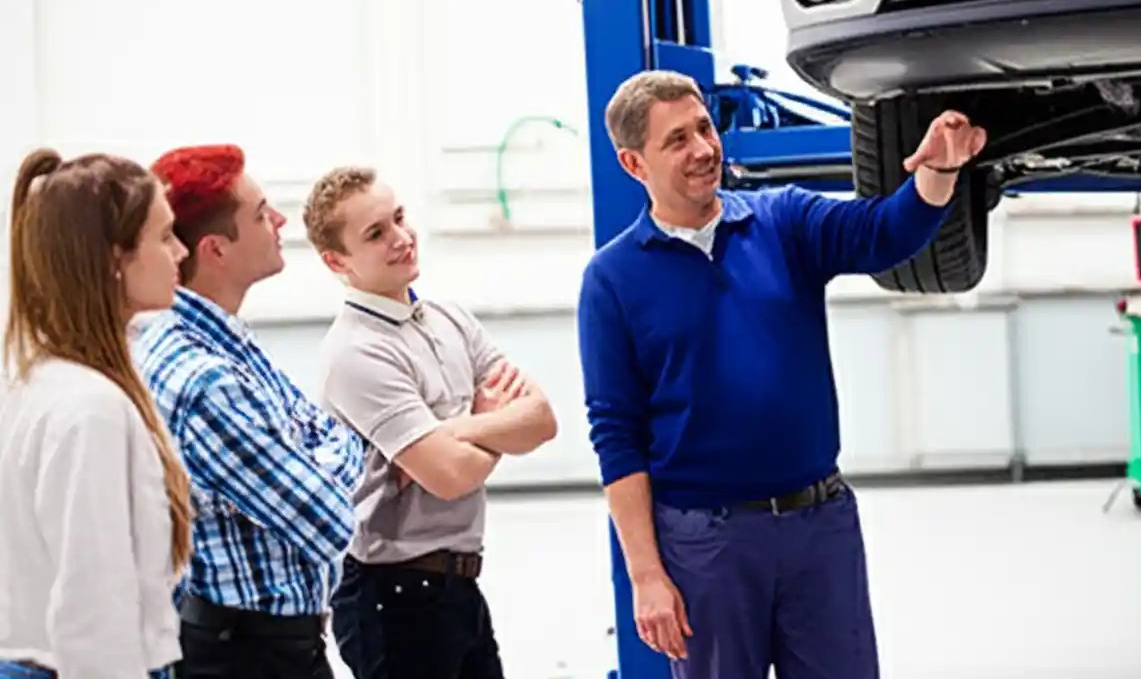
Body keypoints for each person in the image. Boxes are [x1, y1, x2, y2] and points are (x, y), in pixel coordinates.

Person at [575, 69, 989, 678]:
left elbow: (882, 234)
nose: (703, 149)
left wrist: (938, 173)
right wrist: (646, 574)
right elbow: (615, 434)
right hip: (705, 544)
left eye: (704, 128)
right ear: (634, 164)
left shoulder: (782, 222)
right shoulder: (611, 280)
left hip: (818, 527)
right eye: (677, 141)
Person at [300, 166, 558, 679]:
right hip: (392, 598)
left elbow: (542, 419)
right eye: (376, 234)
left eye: (398, 218)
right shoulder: (356, 351)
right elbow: (450, 477)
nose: (401, 237)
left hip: (458, 586)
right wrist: (487, 417)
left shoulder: (449, 318)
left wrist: (458, 429)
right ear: (337, 261)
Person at [131, 144, 366, 679]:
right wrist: (323, 456)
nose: (281, 220)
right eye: (261, 213)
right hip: (245, 654)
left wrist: (319, 453)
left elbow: (329, 433)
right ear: (215, 249)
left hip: (271, 644)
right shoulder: (204, 378)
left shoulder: (225, 341)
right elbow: (329, 519)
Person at [0, 149, 193, 679]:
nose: (180, 252)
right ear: (114, 257)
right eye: (163, 236)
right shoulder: (91, 407)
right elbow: (95, 605)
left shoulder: (37, 378)